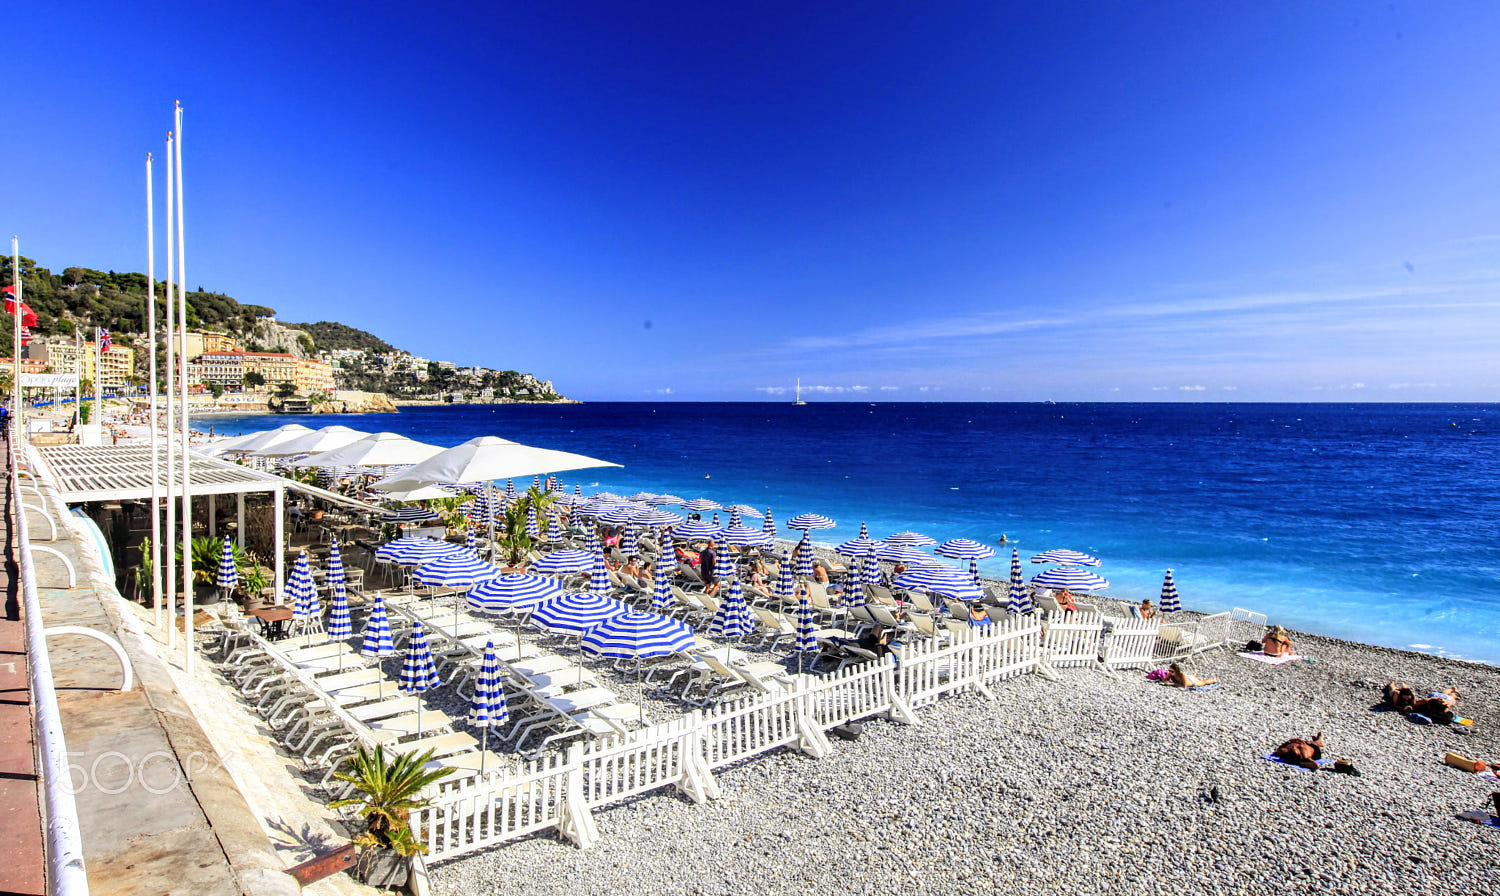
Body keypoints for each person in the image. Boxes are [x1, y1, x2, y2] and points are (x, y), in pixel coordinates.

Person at [1273, 732, 1360, 774]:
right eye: (1294, 749)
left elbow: (1280, 749)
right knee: (1316, 744)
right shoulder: (1304, 756)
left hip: (1306, 745)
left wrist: (1294, 742)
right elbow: (1316, 765)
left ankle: (1319, 740)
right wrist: (1300, 763)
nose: (1293, 748)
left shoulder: (1287, 751)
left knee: (1312, 743)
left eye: (1294, 749)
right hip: (1314, 751)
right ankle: (1319, 741)